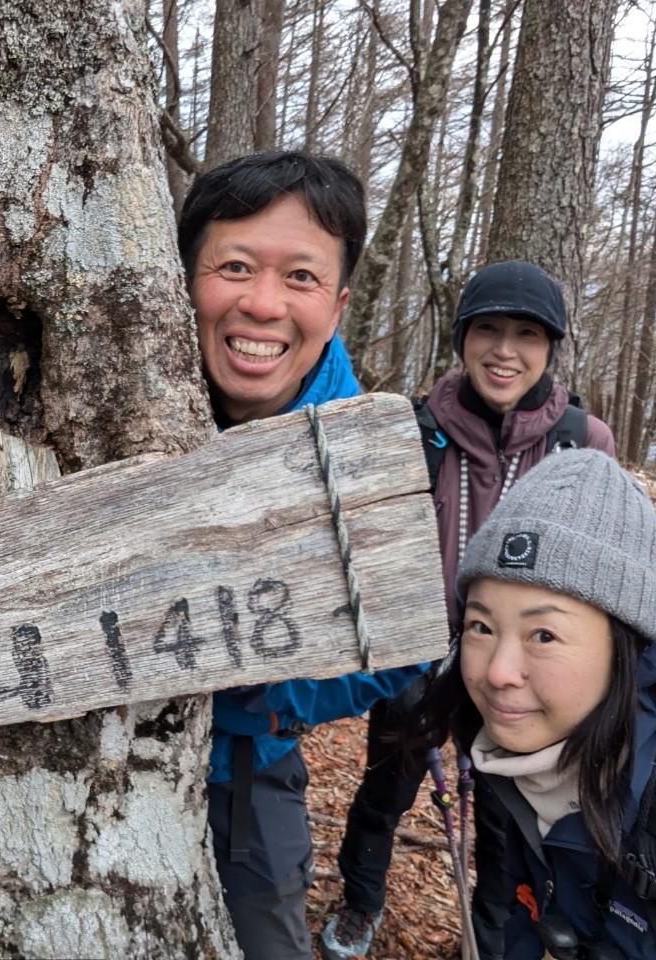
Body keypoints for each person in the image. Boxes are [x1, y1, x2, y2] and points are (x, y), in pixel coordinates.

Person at [321, 261, 616, 959]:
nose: (504, 351)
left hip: (521, 670)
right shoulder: (415, 432)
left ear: (551, 347)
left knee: (509, 820)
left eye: (526, 334)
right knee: (383, 794)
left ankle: (495, 938)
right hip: (417, 656)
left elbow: (603, 579)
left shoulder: (580, 443)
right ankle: (362, 902)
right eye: (487, 330)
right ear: (462, 338)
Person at [177, 150, 428, 959]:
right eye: (235, 266)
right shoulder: (95, 411)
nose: (261, 305)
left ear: (340, 301)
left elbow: (398, 648)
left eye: (301, 278)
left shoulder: (373, 456)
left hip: (251, 767)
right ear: (184, 279)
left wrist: (281, 695)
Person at [406, 449, 656, 958]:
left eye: (543, 634)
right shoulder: (525, 760)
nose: (498, 672)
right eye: (481, 626)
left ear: (625, 647)